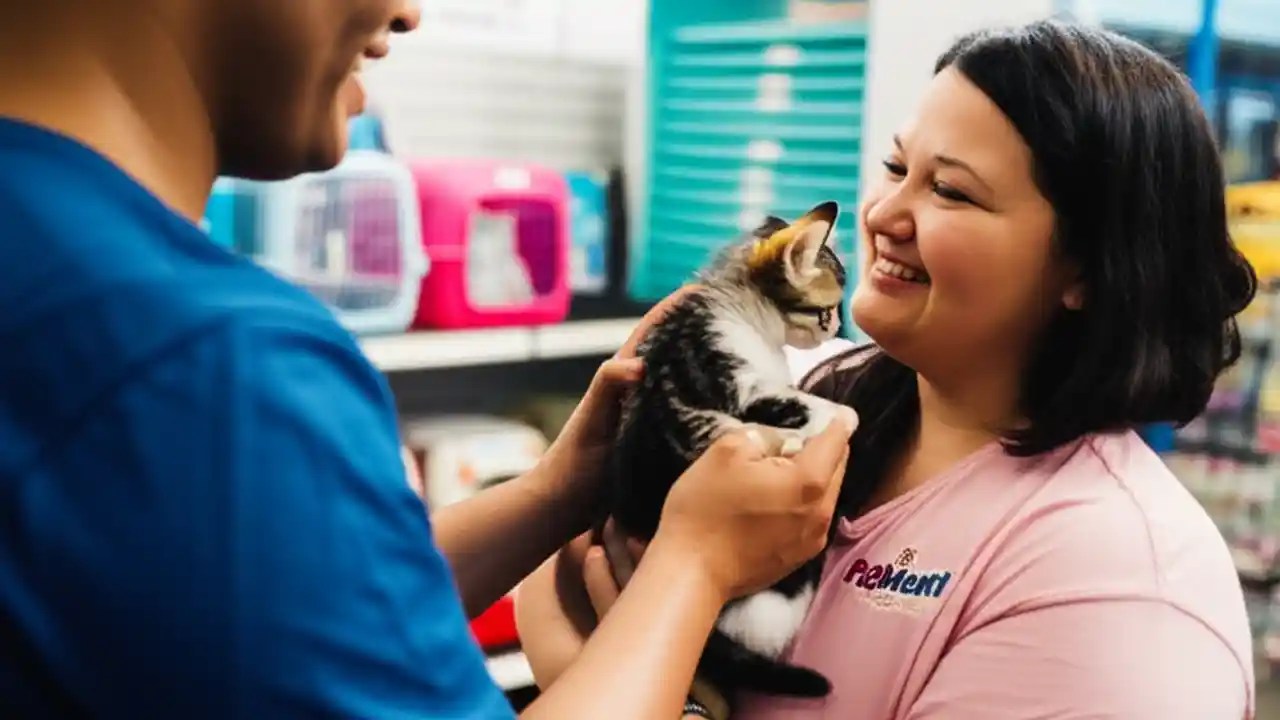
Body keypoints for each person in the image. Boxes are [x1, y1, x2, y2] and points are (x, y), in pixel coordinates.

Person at [0, 2, 856, 718]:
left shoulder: (50, 260)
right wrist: (695, 563)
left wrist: (562, 490)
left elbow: (261, 612)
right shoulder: (204, 361)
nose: (409, 10)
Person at [517, 20, 1260, 719]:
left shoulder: (1121, 590)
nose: (881, 215)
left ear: (1092, 268)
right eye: (897, 167)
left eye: (951, 190)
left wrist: (649, 684)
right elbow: (550, 580)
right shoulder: (816, 395)